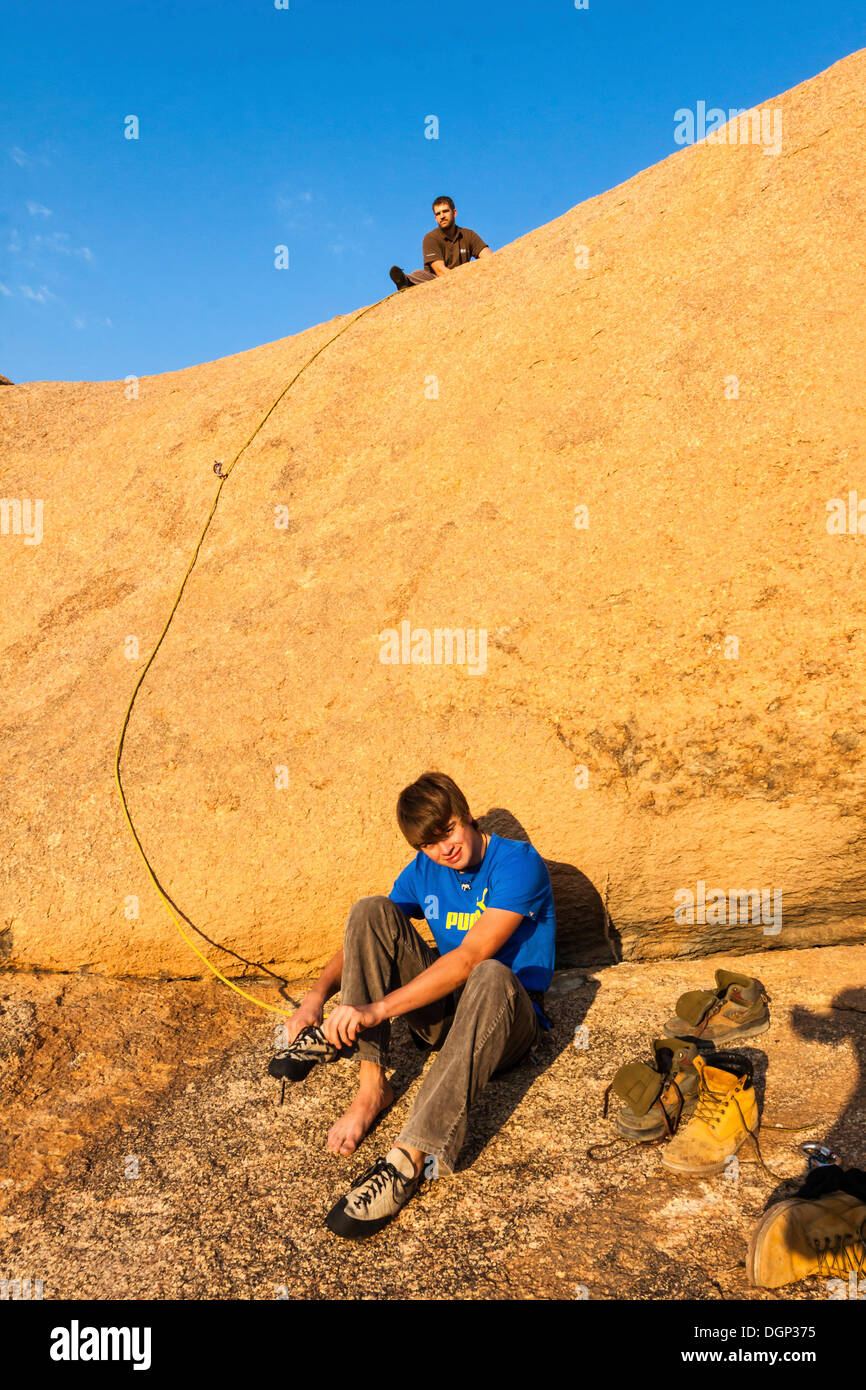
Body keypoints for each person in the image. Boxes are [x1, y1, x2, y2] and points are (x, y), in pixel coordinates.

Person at [273, 771, 556, 1239]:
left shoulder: (517, 863)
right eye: (429, 844)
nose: (444, 850)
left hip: (505, 1022)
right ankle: (371, 1089)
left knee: (491, 973)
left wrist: (376, 1009)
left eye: (446, 832)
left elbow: (467, 960)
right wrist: (315, 997)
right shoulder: (426, 869)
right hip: (444, 1017)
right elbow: (366, 933)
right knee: (370, 908)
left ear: (464, 815)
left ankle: (409, 1157)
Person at [389, 196, 492, 291]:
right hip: (435, 279)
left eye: (445, 211)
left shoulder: (468, 235)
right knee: (419, 274)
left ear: (454, 213)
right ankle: (404, 281)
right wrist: (463, 280)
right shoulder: (431, 238)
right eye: (438, 214)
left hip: (463, 274)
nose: (442, 216)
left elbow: (489, 257)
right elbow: (440, 271)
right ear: (435, 218)